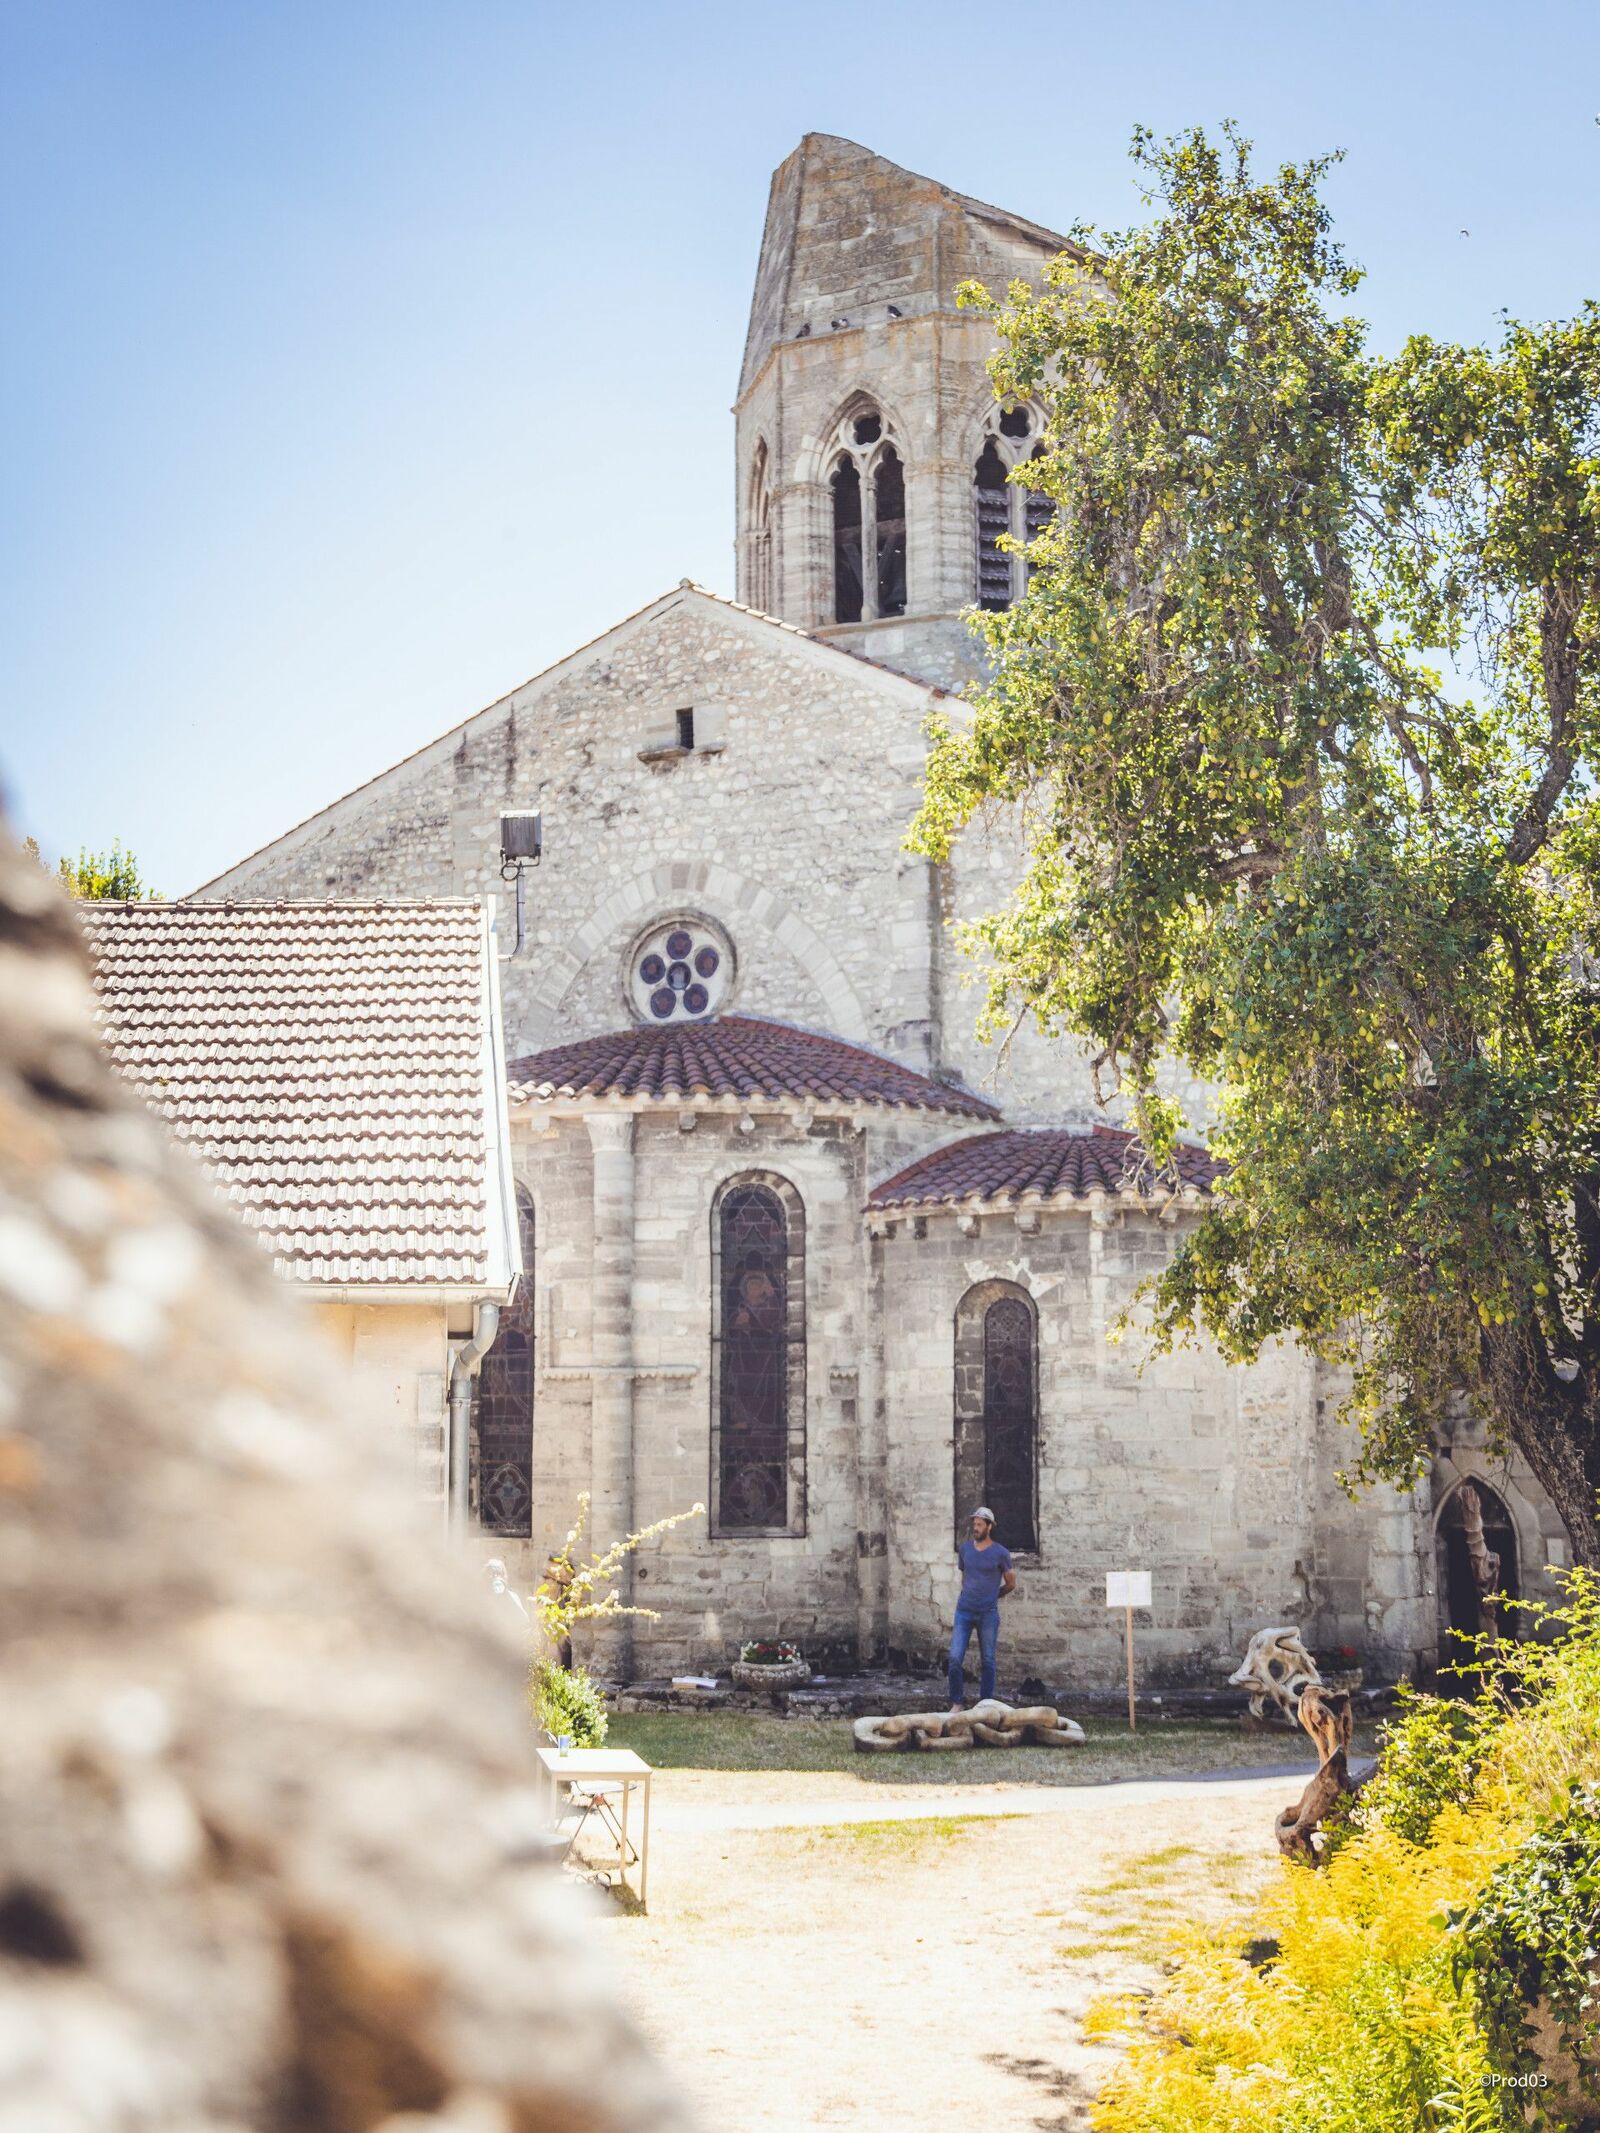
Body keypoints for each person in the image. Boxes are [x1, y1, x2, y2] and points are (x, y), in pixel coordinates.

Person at [948, 1507, 1016, 1711]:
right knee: (954, 1659)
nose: (975, 1528)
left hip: (988, 1614)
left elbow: (1011, 1583)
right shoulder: (965, 1550)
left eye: (979, 1524)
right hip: (964, 1611)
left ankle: (985, 1705)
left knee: (987, 1660)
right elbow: (965, 1577)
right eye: (974, 1524)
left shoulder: (1000, 1553)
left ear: (989, 1526)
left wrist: (992, 1596)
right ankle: (957, 1703)